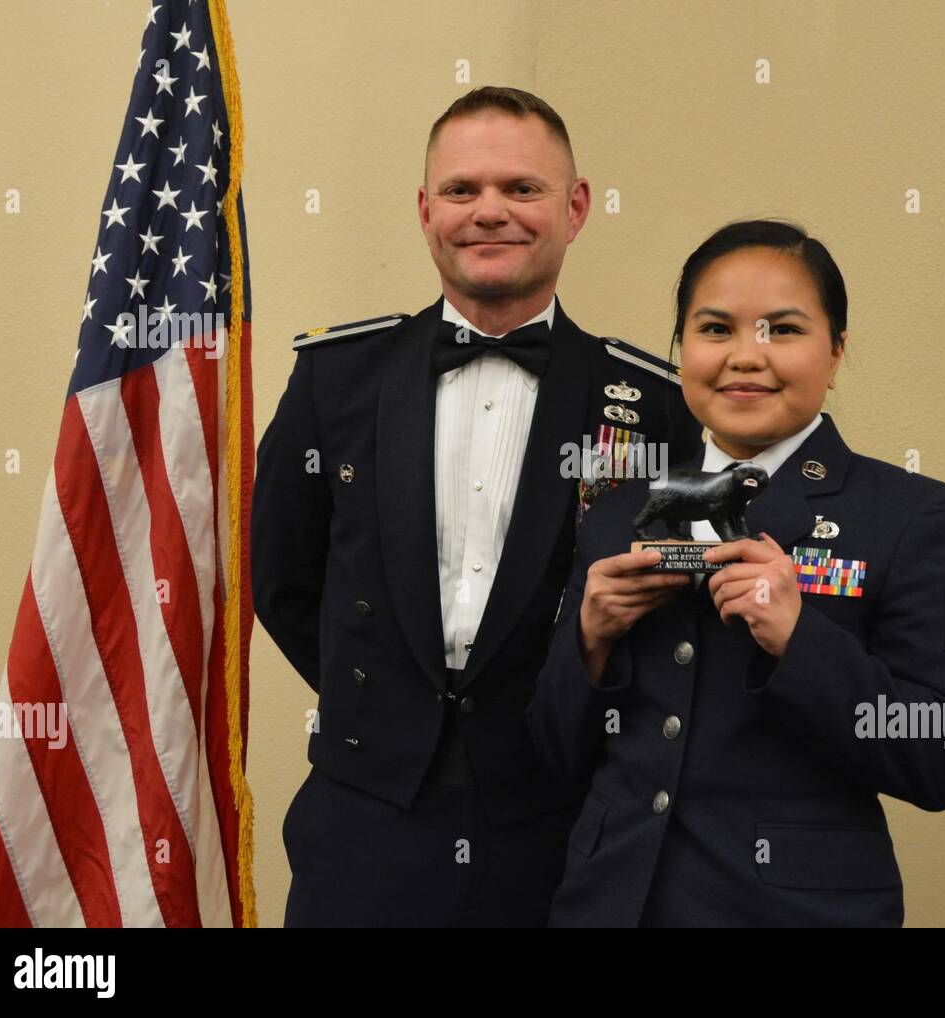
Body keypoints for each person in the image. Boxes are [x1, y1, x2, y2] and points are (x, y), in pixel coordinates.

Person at [252, 87, 702, 927]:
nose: (489, 212)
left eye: (521, 190)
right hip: (363, 818)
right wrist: (384, 698)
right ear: (426, 211)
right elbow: (280, 574)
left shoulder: (650, 404)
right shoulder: (335, 378)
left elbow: (664, 615)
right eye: (462, 191)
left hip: (557, 819)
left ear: (575, 210)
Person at [527, 220, 945, 927]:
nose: (747, 357)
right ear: (681, 349)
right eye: (715, 330)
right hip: (610, 906)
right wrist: (587, 640)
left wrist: (800, 639)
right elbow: (552, 756)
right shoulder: (620, 511)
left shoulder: (908, 515)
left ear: (836, 351)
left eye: (783, 330)